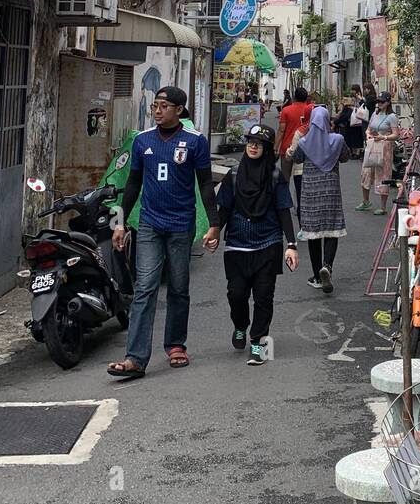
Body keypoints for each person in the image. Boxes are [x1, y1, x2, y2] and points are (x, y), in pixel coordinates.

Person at [108, 86, 219, 379]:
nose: (157, 111)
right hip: (149, 225)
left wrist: (214, 223)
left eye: (164, 106)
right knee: (145, 287)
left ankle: (175, 345)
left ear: (179, 110)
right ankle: (135, 358)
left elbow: (206, 185)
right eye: (155, 106)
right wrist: (119, 222)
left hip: (181, 225)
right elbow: (132, 185)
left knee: (179, 288)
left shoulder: (195, 142)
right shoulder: (142, 141)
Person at [205, 124, 298, 366]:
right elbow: (224, 208)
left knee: (264, 296)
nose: (253, 146)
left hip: (268, 244)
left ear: (267, 149)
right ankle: (240, 325)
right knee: (236, 294)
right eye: (250, 142)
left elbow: (283, 211)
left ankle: (258, 342)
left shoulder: (275, 176)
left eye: (259, 143)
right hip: (237, 245)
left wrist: (292, 244)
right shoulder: (233, 176)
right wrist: (215, 231)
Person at [289, 105, 349, 294]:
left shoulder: (305, 142)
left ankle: (316, 276)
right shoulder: (337, 140)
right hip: (331, 192)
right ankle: (327, 267)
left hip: (310, 194)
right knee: (332, 231)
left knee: (313, 233)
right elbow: (346, 157)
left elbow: (297, 159)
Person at [357, 91, 399, 217]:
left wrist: (384, 138)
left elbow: (396, 134)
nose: (379, 103)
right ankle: (365, 201)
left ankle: (383, 206)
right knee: (366, 172)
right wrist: (368, 134)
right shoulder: (375, 114)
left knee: (383, 174)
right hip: (372, 145)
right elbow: (368, 129)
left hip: (384, 148)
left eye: (382, 101)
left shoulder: (392, 117)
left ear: (388, 102)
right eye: (378, 101)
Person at [276, 86, 312, 223]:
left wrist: (276, 146)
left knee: (285, 179)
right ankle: (299, 207)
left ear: (294, 96)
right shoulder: (310, 110)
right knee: (300, 180)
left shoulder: (286, 110)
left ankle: (284, 205)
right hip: (304, 150)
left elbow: (281, 130)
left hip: (286, 148)